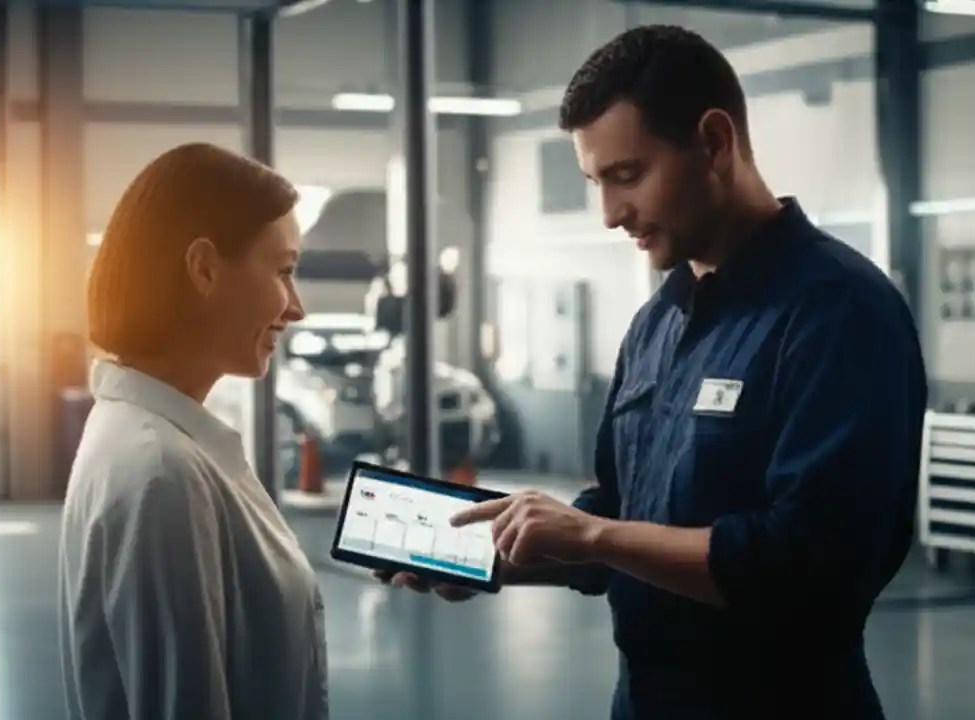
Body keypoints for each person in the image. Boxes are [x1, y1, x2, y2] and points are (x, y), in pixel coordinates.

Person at [383, 25, 927, 719]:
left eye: (627, 175)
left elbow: (811, 565)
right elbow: (621, 515)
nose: (610, 215)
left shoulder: (839, 312)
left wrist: (593, 536)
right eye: (594, 182)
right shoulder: (657, 323)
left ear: (714, 142)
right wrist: (511, 557)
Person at [58, 143, 326, 720]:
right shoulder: (163, 473)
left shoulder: (151, 437)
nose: (296, 308)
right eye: (283, 272)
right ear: (204, 269)